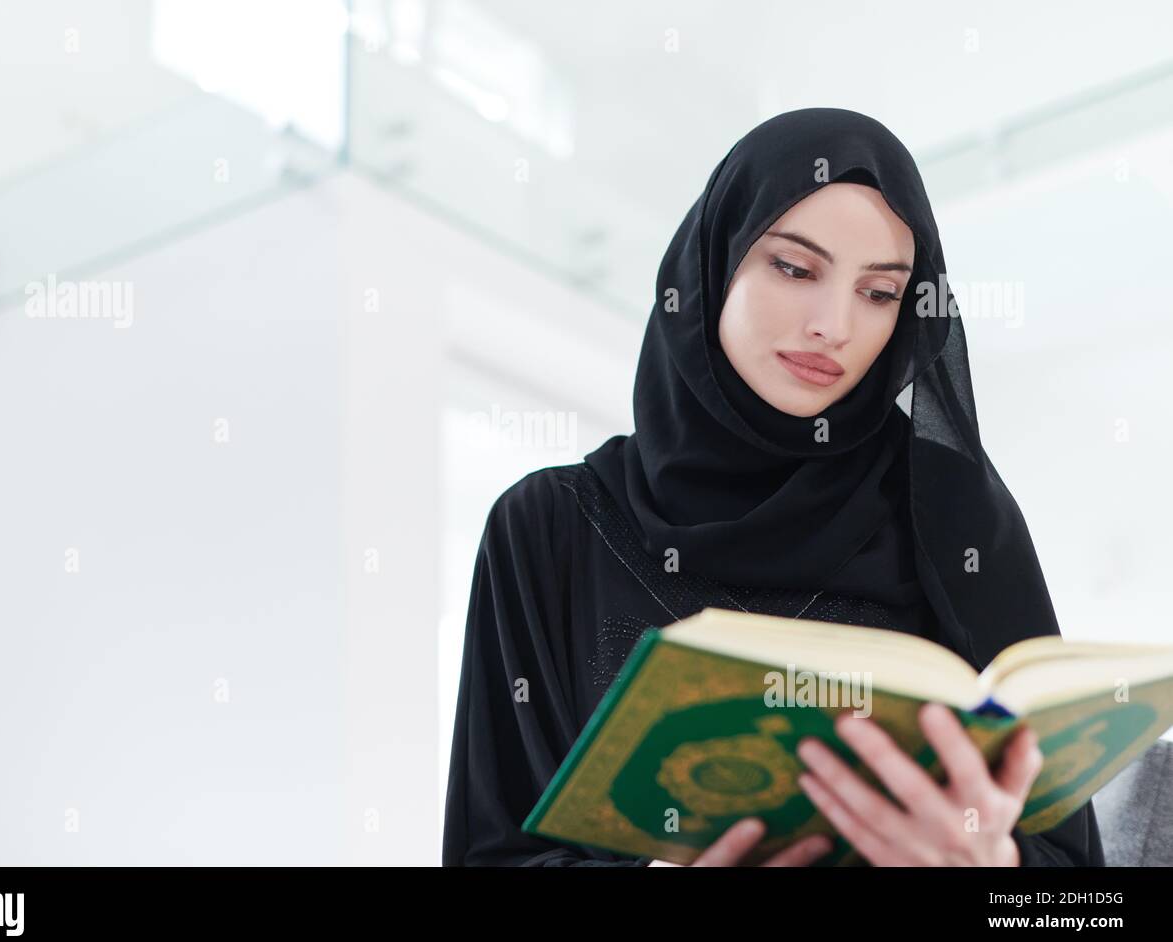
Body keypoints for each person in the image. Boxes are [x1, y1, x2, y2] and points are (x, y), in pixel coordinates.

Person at [441, 108, 1104, 867]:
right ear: (715, 263)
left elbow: (1077, 898)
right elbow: (488, 854)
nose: (835, 325)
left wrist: (991, 868)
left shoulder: (954, 516)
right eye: (794, 269)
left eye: (880, 293)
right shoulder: (547, 528)